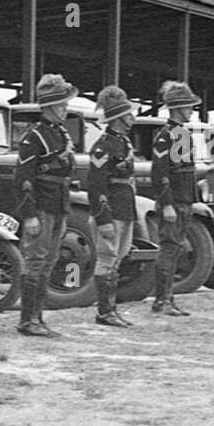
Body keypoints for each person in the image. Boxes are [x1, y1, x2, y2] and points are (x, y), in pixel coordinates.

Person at [14, 72, 78, 337]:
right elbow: (24, 178)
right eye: (62, 104)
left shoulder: (60, 134)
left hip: (58, 205)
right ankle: (27, 320)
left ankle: (37, 318)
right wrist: (29, 215)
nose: (65, 109)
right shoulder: (35, 137)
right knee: (36, 262)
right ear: (49, 106)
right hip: (41, 206)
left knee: (49, 262)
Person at [88, 85, 138, 326]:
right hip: (112, 210)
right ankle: (104, 312)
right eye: (129, 114)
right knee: (107, 258)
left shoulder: (123, 142)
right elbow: (96, 186)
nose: (133, 117)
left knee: (118, 258)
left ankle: (111, 309)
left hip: (125, 208)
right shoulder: (103, 145)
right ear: (119, 117)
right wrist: (103, 219)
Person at [150, 80, 200, 316]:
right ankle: (162, 300)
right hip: (174, 201)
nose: (192, 110)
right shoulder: (166, 135)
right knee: (169, 249)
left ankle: (167, 298)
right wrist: (167, 203)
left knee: (174, 248)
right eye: (188, 106)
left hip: (184, 199)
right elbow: (160, 173)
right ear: (177, 108)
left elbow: (185, 170)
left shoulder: (181, 134)